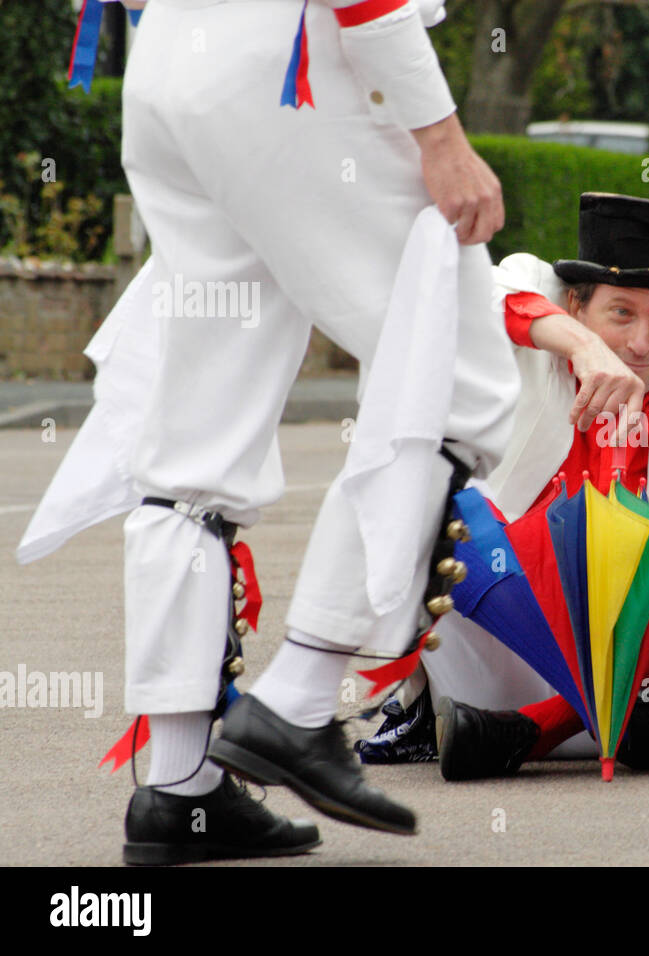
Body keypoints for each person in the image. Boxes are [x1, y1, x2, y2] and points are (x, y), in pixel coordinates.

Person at [22, 0, 518, 864]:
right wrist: (440, 133)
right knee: (460, 383)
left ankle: (180, 789)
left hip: (170, 59)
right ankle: (299, 697)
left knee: (199, 435)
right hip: (292, 58)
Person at [355, 193, 649, 779]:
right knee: (435, 493)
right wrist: (583, 347)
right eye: (621, 313)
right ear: (574, 303)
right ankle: (633, 720)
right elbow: (461, 297)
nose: (642, 343)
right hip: (508, 646)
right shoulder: (533, 301)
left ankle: (537, 731)